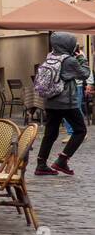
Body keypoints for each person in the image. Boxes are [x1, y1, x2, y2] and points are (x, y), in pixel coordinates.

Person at [35, 31, 89, 176]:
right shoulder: (69, 61)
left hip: (50, 102)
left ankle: (41, 164)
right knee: (80, 130)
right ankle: (62, 160)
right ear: (68, 45)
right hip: (66, 103)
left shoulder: (50, 57)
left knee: (50, 134)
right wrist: (82, 60)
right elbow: (84, 74)